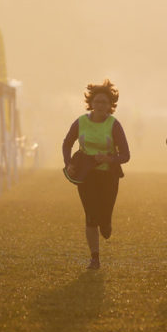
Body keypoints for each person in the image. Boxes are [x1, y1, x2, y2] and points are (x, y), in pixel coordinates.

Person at [62, 80, 130, 270]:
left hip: (108, 175)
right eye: (97, 101)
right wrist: (68, 163)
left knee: (104, 217)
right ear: (91, 103)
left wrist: (109, 158)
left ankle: (106, 223)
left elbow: (126, 155)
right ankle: (94, 258)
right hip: (86, 174)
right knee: (91, 215)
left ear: (110, 105)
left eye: (104, 102)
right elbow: (67, 143)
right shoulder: (81, 122)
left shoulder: (114, 125)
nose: (100, 106)